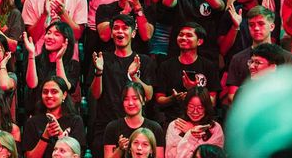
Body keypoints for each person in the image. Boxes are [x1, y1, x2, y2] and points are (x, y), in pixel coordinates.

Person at [89, 14, 155, 157]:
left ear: (133, 33)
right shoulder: (102, 58)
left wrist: (134, 77)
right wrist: (99, 71)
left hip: (137, 127)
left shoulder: (143, 60)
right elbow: (95, 94)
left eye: (125, 28)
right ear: (111, 33)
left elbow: (148, 95)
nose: (120, 32)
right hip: (106, 125)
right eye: (116, 28)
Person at [154, 23, 221, 128]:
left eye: (189, 35)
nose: (183, 38)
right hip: (173, 121)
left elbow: (212, 102)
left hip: (201, 123)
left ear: (199, 41)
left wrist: (194, 90)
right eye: (181, 34)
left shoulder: (209, 66)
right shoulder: (166, 66)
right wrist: (173, 98)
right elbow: (159, 99)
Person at [22, 76, 86, 157]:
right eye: (45, 92)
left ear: (64, 95)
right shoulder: (32, 122)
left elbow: (77, 154)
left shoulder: (75, 121)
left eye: (54, 92)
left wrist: (60, 134)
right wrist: (45, 136)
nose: (49, 95)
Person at [103, 82, 164, 158]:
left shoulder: (155, 128)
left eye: (135, 98)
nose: (130, 103)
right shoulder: (112, 127)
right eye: (126, 99)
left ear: (144, 100)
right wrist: (120, 149)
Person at [164, 88, 224, 158]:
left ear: (206, 108)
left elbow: (212, 156)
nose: (195, 111)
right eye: (191, 107)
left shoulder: (215, 128)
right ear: (186, 106)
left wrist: (191, 134)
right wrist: (190, 135)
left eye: (200, 107)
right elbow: (171, 156)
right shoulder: (175, 125)